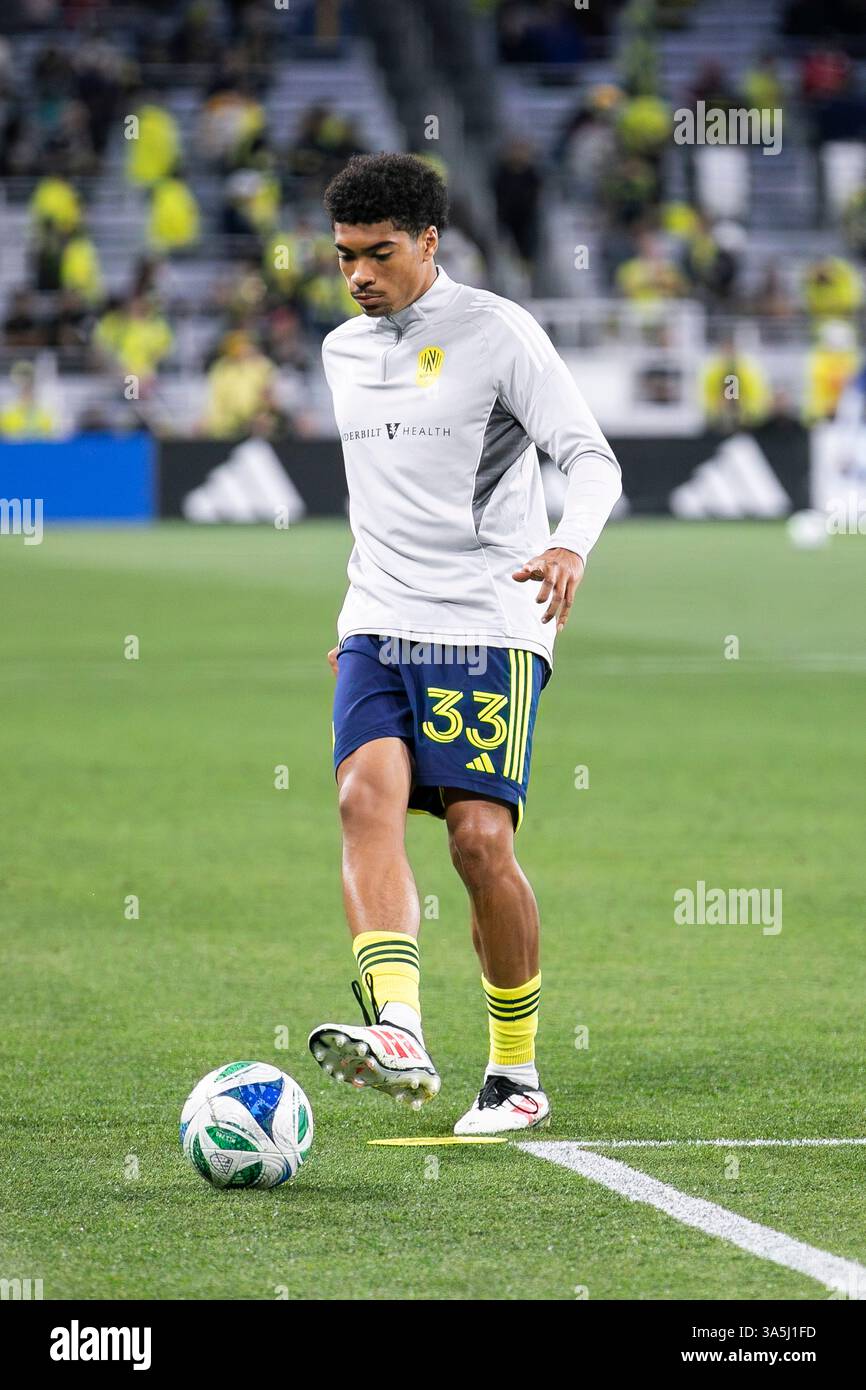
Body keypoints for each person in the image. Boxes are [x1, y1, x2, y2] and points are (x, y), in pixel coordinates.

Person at [308, 153, 621, 1135]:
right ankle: (396, 1026)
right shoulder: (338, 352)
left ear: (428, 242)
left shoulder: (496, 332)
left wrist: (568, 542)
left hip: (487, 618)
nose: (358, 274)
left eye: (378, 253)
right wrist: (348, 625)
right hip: (376, 621)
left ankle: (515, 1073)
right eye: (344, 256)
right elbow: (379, 504)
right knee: (364, 794)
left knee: (478, 841)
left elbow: (589, 458)